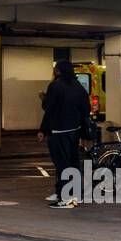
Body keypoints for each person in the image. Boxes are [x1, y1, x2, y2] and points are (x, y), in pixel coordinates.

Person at [39, 61, 90, 209]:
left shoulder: (55, 86)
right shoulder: (79, 87)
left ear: (58, 71)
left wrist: (43, 129)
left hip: (58, 131)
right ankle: (77, 196)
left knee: (62, 165)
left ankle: (65, 198)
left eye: (55, 70)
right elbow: (86, 109)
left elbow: (49, 109)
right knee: (73, 163)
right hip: (75, 132)